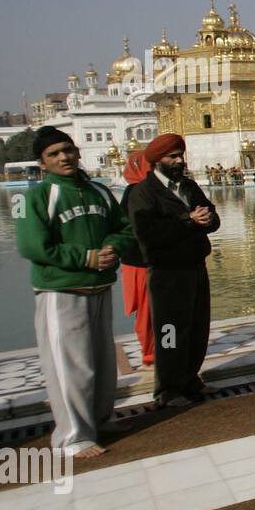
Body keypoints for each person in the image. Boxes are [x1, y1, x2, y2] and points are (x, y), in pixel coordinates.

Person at [15, 126, 137, 457]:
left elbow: (123, 228)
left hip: (98, 287)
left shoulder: (97, 191)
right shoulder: (37, 197)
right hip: (62, 292)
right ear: (42, 163)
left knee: (101, 360)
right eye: (53, 154)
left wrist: (112, 247)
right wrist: (86, 257)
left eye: (67, 150)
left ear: (77, 152)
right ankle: (72, 436)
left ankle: (100, 420)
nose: (63, 157)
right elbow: (31, 246)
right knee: (70, 365)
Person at [126, 133, 220, 409]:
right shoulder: (143, 192)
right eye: (172, 156)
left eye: (180, 155)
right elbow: (148, 233)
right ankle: (167, 388)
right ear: (157, 160)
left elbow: (211, 217)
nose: (179, 160)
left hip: (194, 267)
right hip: (167, 272)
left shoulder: (188, 186)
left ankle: (190, 380)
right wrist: (187, 220)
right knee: (169, 330)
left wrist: (207, 219)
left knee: (196, 325)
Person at [118, 150, 155, 371]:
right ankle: (150, 355)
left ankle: (161, 350)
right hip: (141, 263)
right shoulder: (137, 192)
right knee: (148, 310)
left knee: (154, 311)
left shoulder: (143, 190)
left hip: (141, 261)